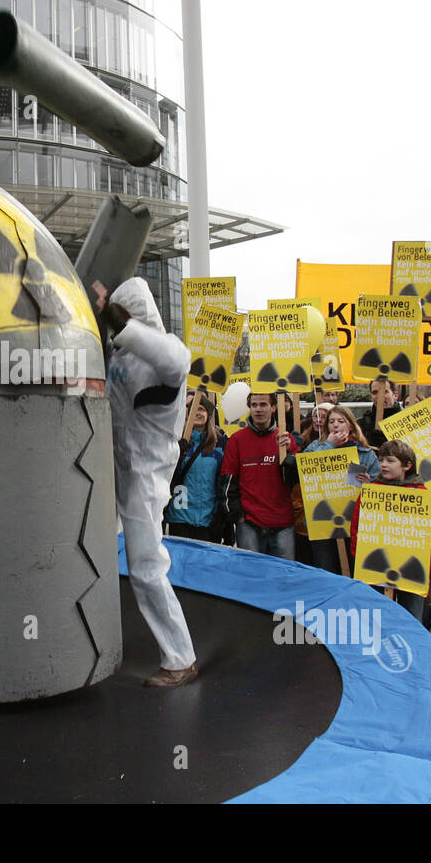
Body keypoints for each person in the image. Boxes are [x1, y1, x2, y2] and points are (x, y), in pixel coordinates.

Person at [103, 278, 198, 687]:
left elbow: (176, 361)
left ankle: (180, 656)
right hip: (112, 464)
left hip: (147, 469)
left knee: (144, 564)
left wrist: (120, 321)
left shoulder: (166, 352)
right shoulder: (118, 356)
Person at [348, 439, 431, 619]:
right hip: (374, 568)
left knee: (411, 619)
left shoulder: (421, 494)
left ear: (407, 465)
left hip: (411, 572)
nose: (383, 464)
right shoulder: (372, 491)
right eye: (381, 459)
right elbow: (357, 525)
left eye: (390, 461)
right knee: (374, 618)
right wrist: (358, 556)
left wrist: (425, 566)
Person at [219, 392, 299, 560]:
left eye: (263, 405)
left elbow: (294, 482)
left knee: (283, 579)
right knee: (251, 577)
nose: (258, 409)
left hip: (282, 523)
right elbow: (227, 481)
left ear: (274, 407)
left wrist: (289, 456)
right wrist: (237, 517)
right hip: (249, 524)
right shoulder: (237, 440)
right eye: (254, 405)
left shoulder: (285, 439)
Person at [303, 405, 376, 574]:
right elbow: (306, 467)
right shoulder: (315, 447)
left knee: (354, 572)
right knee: (326, 571)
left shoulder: (365, 453)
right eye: (331, 421)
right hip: (322, 522)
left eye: (341, 421)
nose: (335, 425)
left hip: (353, 523)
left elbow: (378, 487)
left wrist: (368, 483)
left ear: (350, 425)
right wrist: (329, 445)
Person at [165, 393, 225, 544]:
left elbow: (222, 480)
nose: (197, 413)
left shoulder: (219, 445)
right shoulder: (176, 442)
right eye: (193, 409)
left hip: (208, 517)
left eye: (202, 409)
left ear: (209, 414)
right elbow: (167, 475)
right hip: (180, 516)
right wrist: (177, 454)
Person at [358, 379, 401, 449]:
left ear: (395, 395)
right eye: (375, 392)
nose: (380, 396)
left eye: (384, 392)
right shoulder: (362, 425)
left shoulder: (407, 422)